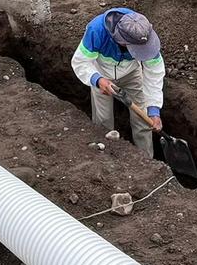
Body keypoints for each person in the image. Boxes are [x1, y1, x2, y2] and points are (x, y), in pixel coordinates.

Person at [70, 8, 165, 156]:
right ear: (122, 41)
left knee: (143, 119)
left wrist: (153, 109)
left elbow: (154, 74)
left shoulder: (145, 37)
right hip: (102, 74)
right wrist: (97, 80)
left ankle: (147, 160)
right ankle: (107, 158)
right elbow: (80, 62)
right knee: (103, 121)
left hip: (132, 74)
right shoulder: (97, 31)